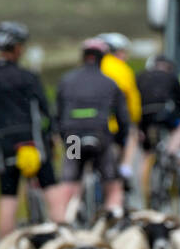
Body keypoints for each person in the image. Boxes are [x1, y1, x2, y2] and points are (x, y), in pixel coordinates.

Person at [0, 21, 59, 236]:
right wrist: (51, 140)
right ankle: (62, 238)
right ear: (18, 48)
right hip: (33, 143)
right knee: (52, 192)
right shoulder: (29, 78)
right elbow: (47, 112)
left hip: (4, 147)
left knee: (8, 198)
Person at [53, 38, 131, 217]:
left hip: (73, 137)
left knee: (69, 181)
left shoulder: (67, 80)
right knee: (113, 184)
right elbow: (123, 118)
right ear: (102, 58)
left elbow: (57, 115)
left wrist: (62, 135)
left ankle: (62, 223)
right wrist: (120, 140)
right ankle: (114, 220)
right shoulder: (110, 83)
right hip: (100, 135)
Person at [136, 55, 180, 195]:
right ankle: (171, 152)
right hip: (165, 113)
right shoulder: (171, 77)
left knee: (147, 153)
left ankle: (146, 190)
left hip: (143, 115)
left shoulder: (140, 76)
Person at [97, 32, 143, 203]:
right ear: (115, 51)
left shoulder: (95, 67)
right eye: (123, 51)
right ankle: (125, 169)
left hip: (90, 125)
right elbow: (132, 100)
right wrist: (135, 121)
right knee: (131, 136)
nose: (125, 55)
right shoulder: (123, 69)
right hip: (114, 126)